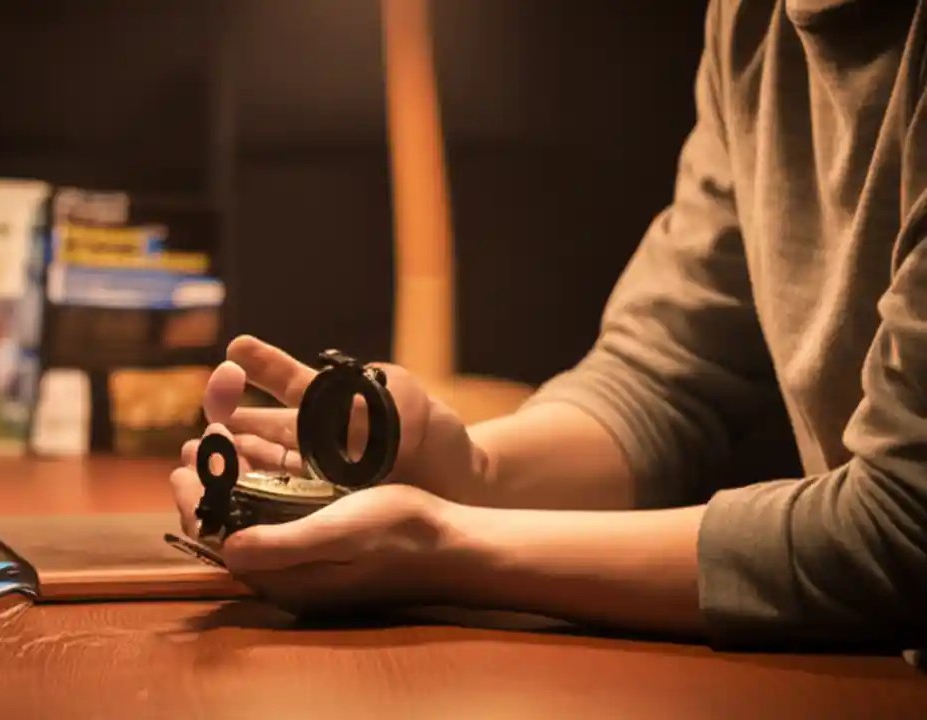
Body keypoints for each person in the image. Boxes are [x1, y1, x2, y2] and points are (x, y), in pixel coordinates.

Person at [168, 0, 926, 652]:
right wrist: (460, 464)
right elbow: (663, 379)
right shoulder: (752, 20)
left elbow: (905, 526)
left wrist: (449, 547)